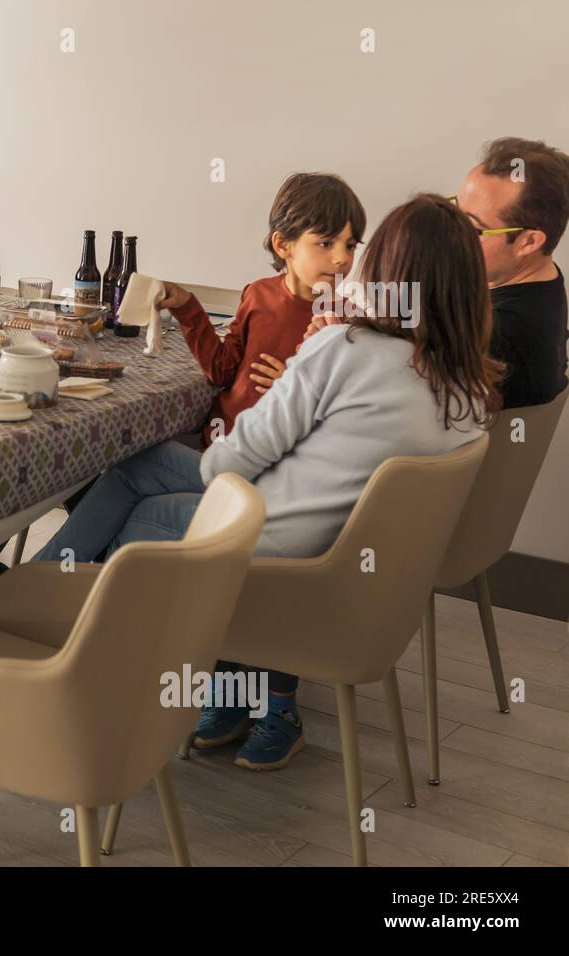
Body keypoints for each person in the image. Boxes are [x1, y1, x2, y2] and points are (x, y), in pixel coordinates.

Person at [32, 195, 500, 770]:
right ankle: (51, 595)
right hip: (342, 550)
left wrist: (300, 372)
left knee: (142, 518)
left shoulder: (347, 348)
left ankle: (79, 666)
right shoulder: (470, 388)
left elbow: (233, 464)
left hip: (281, 541)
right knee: (141, 464)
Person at [307, 137, 569, 406]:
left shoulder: (501, 345)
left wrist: (334, 356)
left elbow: (383, 406)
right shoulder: (526, 288)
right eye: (455, 210)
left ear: (529, 242)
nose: (450, 231)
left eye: (473, 227)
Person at [175, 173, 365, 445]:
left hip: (264, 466)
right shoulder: (257, 294)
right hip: (220, 442)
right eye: (326, 243)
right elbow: (222, 371)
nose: (342, 259)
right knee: (130, 466)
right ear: (283, 244)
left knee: (127, 471)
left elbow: (347, 417)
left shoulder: (348, 322)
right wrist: (186, 307)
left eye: (350, 246)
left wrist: (294, 390)